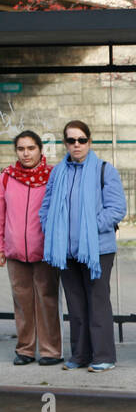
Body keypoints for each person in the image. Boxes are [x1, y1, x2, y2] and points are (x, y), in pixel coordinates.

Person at [38, 120, 126, 372]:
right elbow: (46, 206)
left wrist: (89, 226)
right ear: (65, 143)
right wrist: (51, 228)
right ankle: (80, 355)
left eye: (81, 140)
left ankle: (103, 356)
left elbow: (117, 208)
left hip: (97, 249)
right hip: (65, 250)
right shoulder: (58, 172)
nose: (76, 145)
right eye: (71, 140)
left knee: (97, 303)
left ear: (89, 141)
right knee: (76, 305)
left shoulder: (104, 170)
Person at [1, 131, 61, 366]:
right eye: (21, 149)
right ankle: (25, 349)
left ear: (40, 149)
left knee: (47, 300)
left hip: (44, 251)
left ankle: (50, 350)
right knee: (22, 301)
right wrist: (1, 247)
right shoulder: (7, 177)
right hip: (15, 251)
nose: (26, 153)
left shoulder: (52, 175)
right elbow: (0, 214)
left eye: (30, 148)